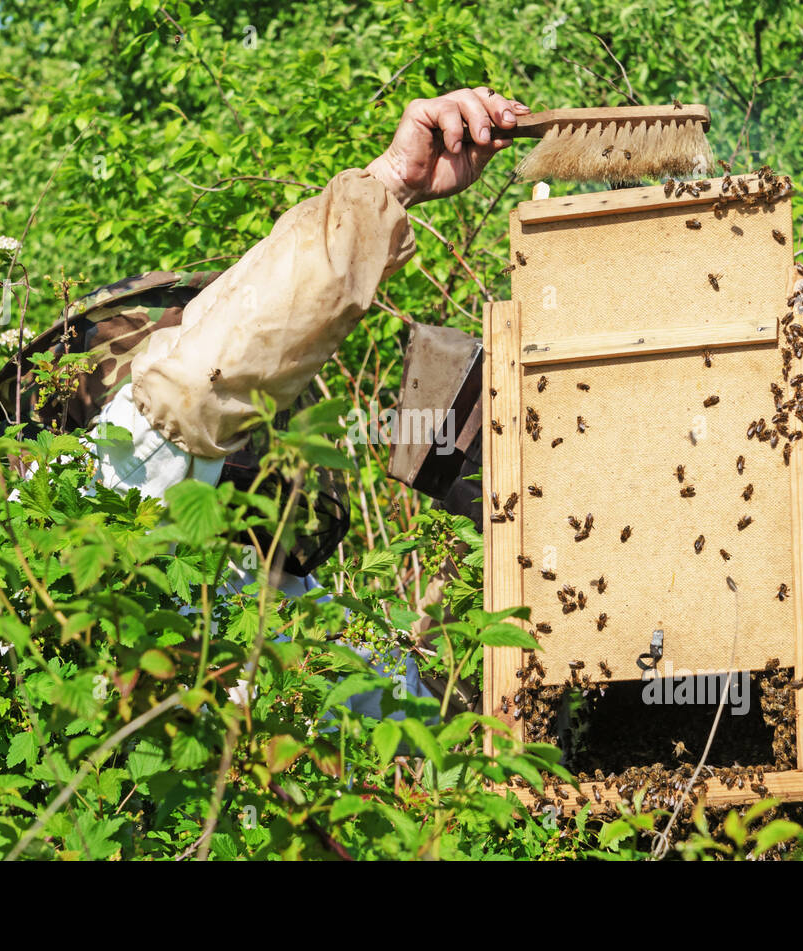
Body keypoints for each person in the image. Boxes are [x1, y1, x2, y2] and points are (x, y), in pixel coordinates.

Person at [88, 87, 530, 715]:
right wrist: (388, 186)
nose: (258, 431)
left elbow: (424, 736)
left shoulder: (286, 603)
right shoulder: (99, 496)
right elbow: (200, 384)